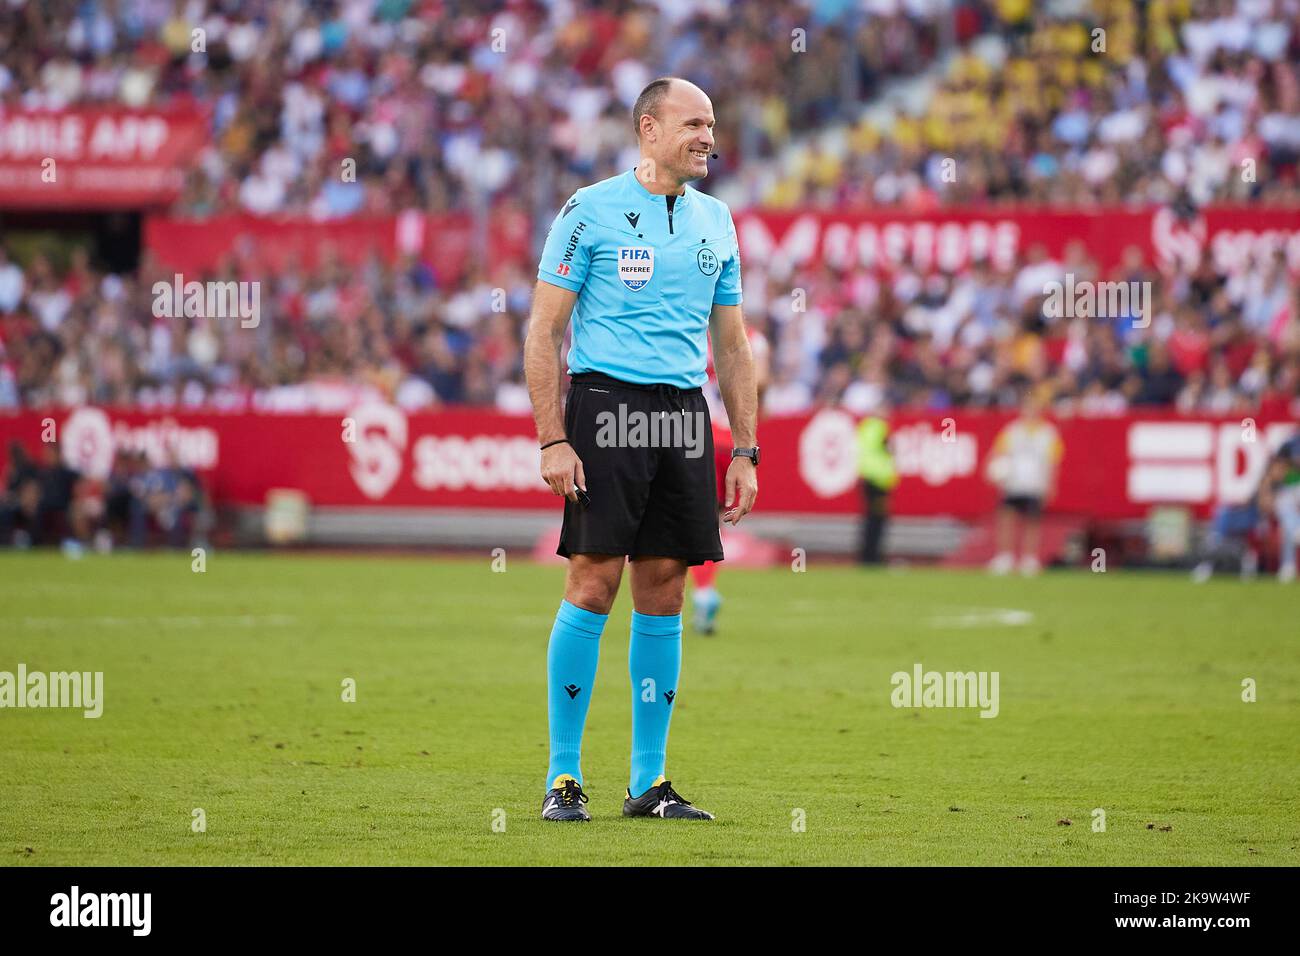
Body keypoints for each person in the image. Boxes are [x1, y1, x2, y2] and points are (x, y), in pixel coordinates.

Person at [524, 77, 759, 822]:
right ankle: (564, 778)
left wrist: (745, 448)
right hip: (604, 406)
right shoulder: (587, 210)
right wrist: (553, 437)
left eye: (712, 124)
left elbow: (732, 343)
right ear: (648, 128)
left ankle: (648, 782)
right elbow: (542, 332)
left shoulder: (718, 220)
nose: (707, 137)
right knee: (593, 584)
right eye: (693, 124)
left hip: (682, 416)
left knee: (664, 590)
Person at [985, 387, 1063, 575]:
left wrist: (1051, 485)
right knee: (1006, 518)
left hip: (1035, 483)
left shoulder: (1048, 434)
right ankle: (1005, 556)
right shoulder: (1012, 431)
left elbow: (1053, 462)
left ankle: (1029, 558)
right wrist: (992, 470)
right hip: (1013, 483)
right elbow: (996, 453)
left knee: (1032, 522)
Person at [856, 407, 897, 564]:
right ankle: (873, 556)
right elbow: (888, 448)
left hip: (867, 478)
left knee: (869, 519)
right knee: (878, 519)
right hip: (879, 481)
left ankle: (867, 555)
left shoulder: (864, 427)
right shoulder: (880, 427)